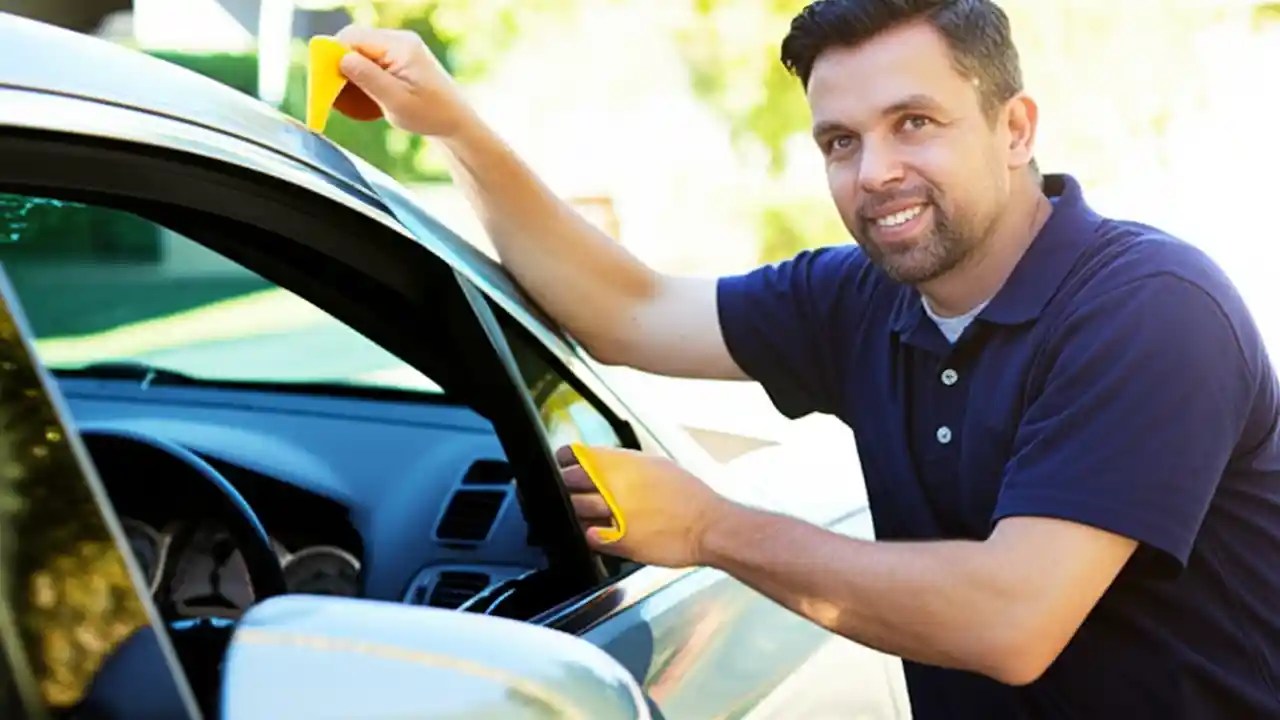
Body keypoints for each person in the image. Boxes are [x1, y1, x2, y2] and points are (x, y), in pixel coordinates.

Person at [330, 1, 1280, 717]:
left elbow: (1009, 620)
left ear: (1015, 128)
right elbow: (631, 309)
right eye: (840, 141)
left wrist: (710, 529)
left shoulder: (1151, 309)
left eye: (915, 122)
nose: (874, 174)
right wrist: (452, 126)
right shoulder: (860, 297)